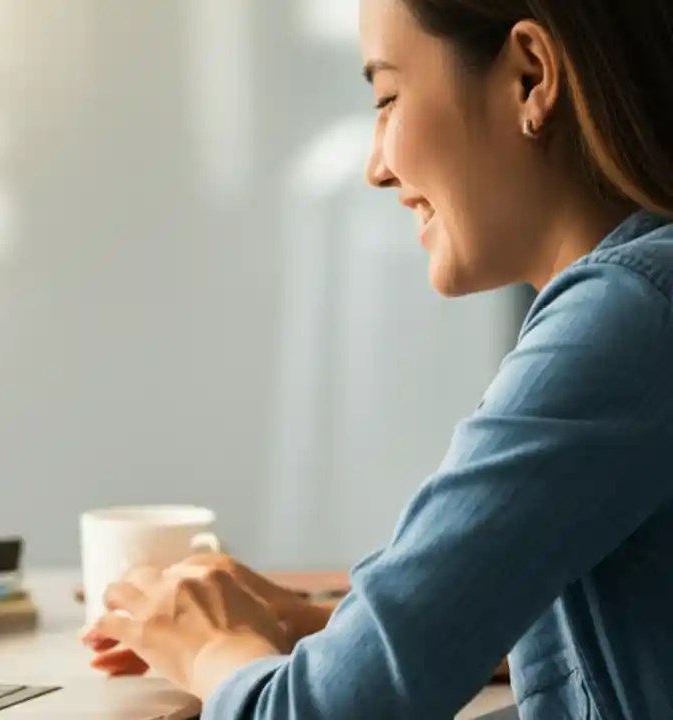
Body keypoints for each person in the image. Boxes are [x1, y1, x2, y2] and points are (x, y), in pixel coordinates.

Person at [82, 1, 673, 717]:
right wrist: (336, 627)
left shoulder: (628, 316)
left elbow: (326, 712)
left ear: (529, 76)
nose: (375, 167)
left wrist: (209, 648)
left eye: (388, 97)